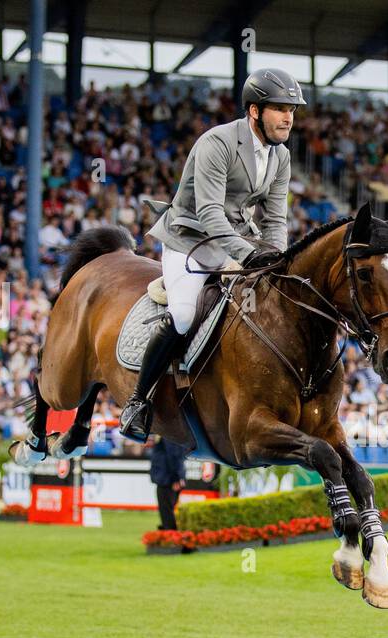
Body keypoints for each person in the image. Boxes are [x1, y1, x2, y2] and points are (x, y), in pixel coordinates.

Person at [127, 68, 305, 442]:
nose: (288, 117)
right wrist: (246, 254)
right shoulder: (217, 142)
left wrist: (276, 258)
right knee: (183, 314)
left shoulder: (281, 157)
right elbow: (209, 213)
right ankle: (138, 401)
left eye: (292, 109)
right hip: (189, 240)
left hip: (238, 241)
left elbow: (275, 219)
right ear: (255, 111)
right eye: (280, 108)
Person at [148, 436, 188, 531]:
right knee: (168, 511)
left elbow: (174, 455)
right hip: (167, 478)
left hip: (167, 479)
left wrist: (176, 478)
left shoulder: (169, 434)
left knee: (167, 513)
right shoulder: (170, 433)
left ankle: (171, 538)